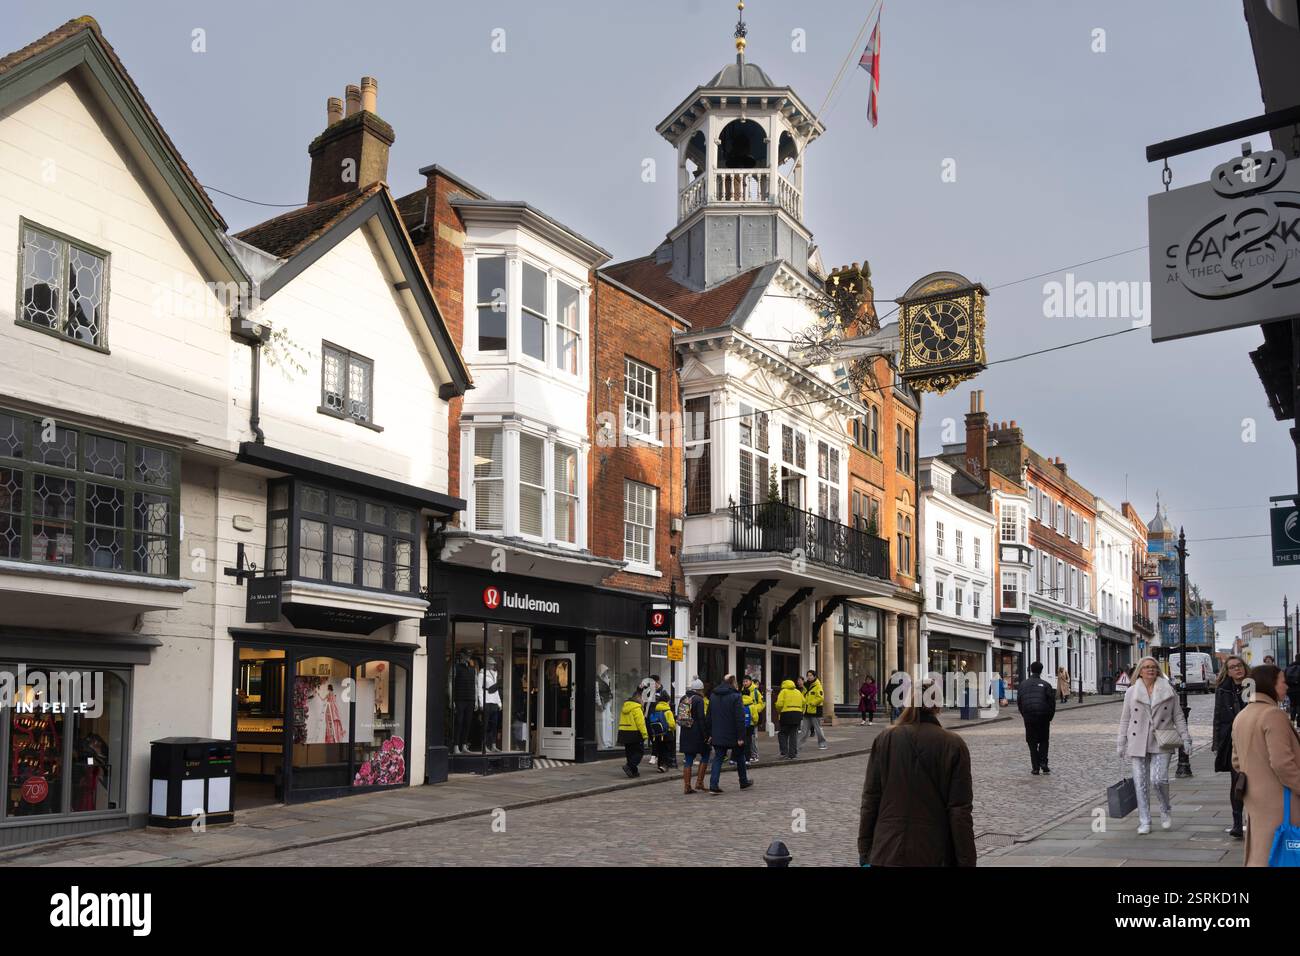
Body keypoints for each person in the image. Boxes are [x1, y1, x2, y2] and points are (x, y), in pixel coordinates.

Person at [857, 681, 976, 867]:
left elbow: (870, 800)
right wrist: (967, 861)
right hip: (933, 852)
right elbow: (960, 810)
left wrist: (865, 850)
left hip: (887, 851)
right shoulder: (953, 744)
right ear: (938, 705)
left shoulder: (885, 739)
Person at [1231, 664, 1300, 866]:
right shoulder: (1273, 715)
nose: (1286, 686)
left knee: (1262, 850)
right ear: (1270, 684)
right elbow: (1282, 763)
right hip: (1281, 797)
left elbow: (1236, 761)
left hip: (1255, 796)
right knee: (1282, 850)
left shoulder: (1242, 715)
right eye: (1282, 681)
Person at [1116, 656, 1192, 834]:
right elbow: (1125, 718)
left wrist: (1186, 738)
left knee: (1158, 780)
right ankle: (1145, 821)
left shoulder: (1168, 691)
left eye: (1153, 667)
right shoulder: (1131, 692)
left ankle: (1165, 810)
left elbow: (1178, 716)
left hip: (1162, 740)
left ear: (1157, 670)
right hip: (1137, 740)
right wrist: (1121, 742)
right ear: (1140, 671)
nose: (1150, 670)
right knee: (1141, 784)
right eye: (1146, 667)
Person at [1212, 655, 1249, 839]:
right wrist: (1217, 744)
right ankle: (1236, 822)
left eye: (1239, 665)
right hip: (1233, 741)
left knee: (1255, 781)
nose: (1237, 669)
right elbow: (1218, 717)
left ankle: (1253, 820)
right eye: (1233, 667)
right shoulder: (1223, 690)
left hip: (1253, 739)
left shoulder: (1252, 685)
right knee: (1237, 781)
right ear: (1228, 671)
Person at [708, 674, 752, 793]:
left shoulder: (713, 696)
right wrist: (741, 736)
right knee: (740, 757)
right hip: (733, 734)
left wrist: (710, 733)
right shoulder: (736, 696)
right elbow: (739, 718)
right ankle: (743, 781)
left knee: (718, 758)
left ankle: (713, 784)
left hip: (717, 733)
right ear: (733, 682)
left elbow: (709, 716)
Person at [1017, 661, 1057, 775]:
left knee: (1032, 742)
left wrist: (1024, 714)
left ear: (1031, 670)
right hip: (1043, 716)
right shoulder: (1046, 685)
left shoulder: (1023, 685)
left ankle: (1035, 767)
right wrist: (1049, 716)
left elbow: (1019, 702)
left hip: (1029, 717)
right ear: (1041, 671)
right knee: (1044, 740)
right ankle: (1043, 763)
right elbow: (1052, 703)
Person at [677, 678, 710, 794]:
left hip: (686, 732)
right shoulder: (699, 700)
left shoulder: (684, 698)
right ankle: (699, 782)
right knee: (705, 755)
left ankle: (687, 786)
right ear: (700, 690)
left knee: (688, 760)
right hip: (697, 734)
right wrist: (706, 735)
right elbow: (701, 719)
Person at [618, 680, 651, 777]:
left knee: (629, 753)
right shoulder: (637, 708)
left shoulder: (626, 706)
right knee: (639, 753)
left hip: (624, 732)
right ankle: (629, 766)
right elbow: (640, 723)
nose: (644, 702)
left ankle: (633, 771)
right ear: (639, 698)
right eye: (643, 699)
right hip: (634, 733)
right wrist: (645, 734)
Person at [647, 692, 677, 773]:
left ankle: (659, 765)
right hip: (667, 734)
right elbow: (672, 724)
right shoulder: (668, 711)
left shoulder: (656, 709)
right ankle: (664, 766)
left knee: (660, 750)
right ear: (667, 701)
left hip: (657, 734)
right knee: (667, 750)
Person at [775, 678, 805, 759]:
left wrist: (779, 711)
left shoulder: (783, 691)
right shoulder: (798, 692)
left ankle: (784, 752)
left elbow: (779, 704)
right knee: (793, 734)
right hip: (797, 714)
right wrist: (801, 711)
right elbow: (804, 702)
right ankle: (793, 754)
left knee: (782, 733)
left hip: (786, 714)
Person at [800, 670, 828, 750]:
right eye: (808, 675)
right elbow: (803, 696)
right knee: (804, 730)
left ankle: (822, 744)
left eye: (810, 675)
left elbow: (820, 698)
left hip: (815, 711)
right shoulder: (805, 686)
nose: (809, 677)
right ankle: (798, 746)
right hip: (806, 711)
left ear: (814, 676)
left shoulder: (818, 686)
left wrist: (812, 703)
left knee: (818, 729)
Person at [740, 676, 764, 763]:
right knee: (746, 738)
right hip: (744, 719)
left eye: (746, 681)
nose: (744, 683)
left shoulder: (756, 691)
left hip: (753, 718)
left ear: (750, 681)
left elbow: (761, 704)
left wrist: (753, 709)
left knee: (753, 738)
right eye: (743, 682)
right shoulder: (742, 690)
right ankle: (747, 755)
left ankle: (755, 755)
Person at [1286, 656, 1300, 729]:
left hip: (1290, 690)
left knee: (1292, 704)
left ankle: (1292, 721)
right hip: (1298, 690)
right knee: (1298, 705)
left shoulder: (1289, 667)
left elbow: (1284, 678)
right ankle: (1299, 724)